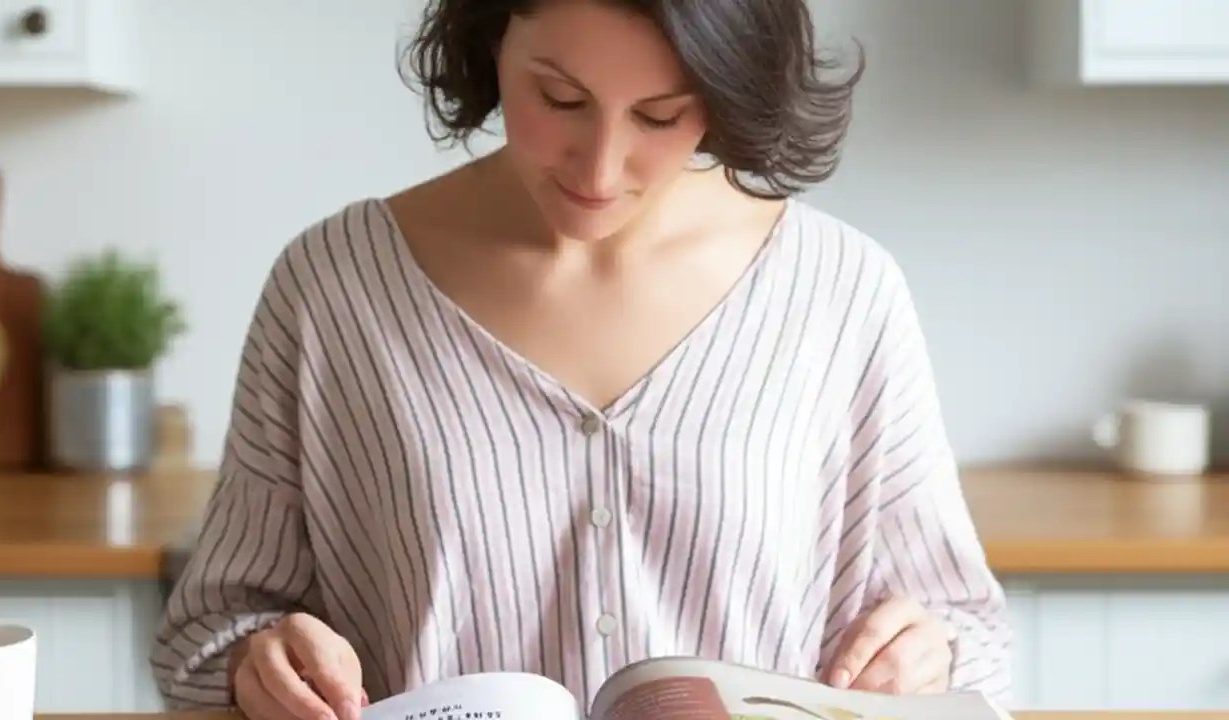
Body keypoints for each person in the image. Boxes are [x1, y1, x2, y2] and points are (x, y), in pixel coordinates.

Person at [151, 0, 1013, 718]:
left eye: (660, 116)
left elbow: (967, 637)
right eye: (559, 99)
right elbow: (206, 632)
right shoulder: (333, 287)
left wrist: (928, 659)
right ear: (493, 47)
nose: (600, 169)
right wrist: (255, 664)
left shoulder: (841, 291)